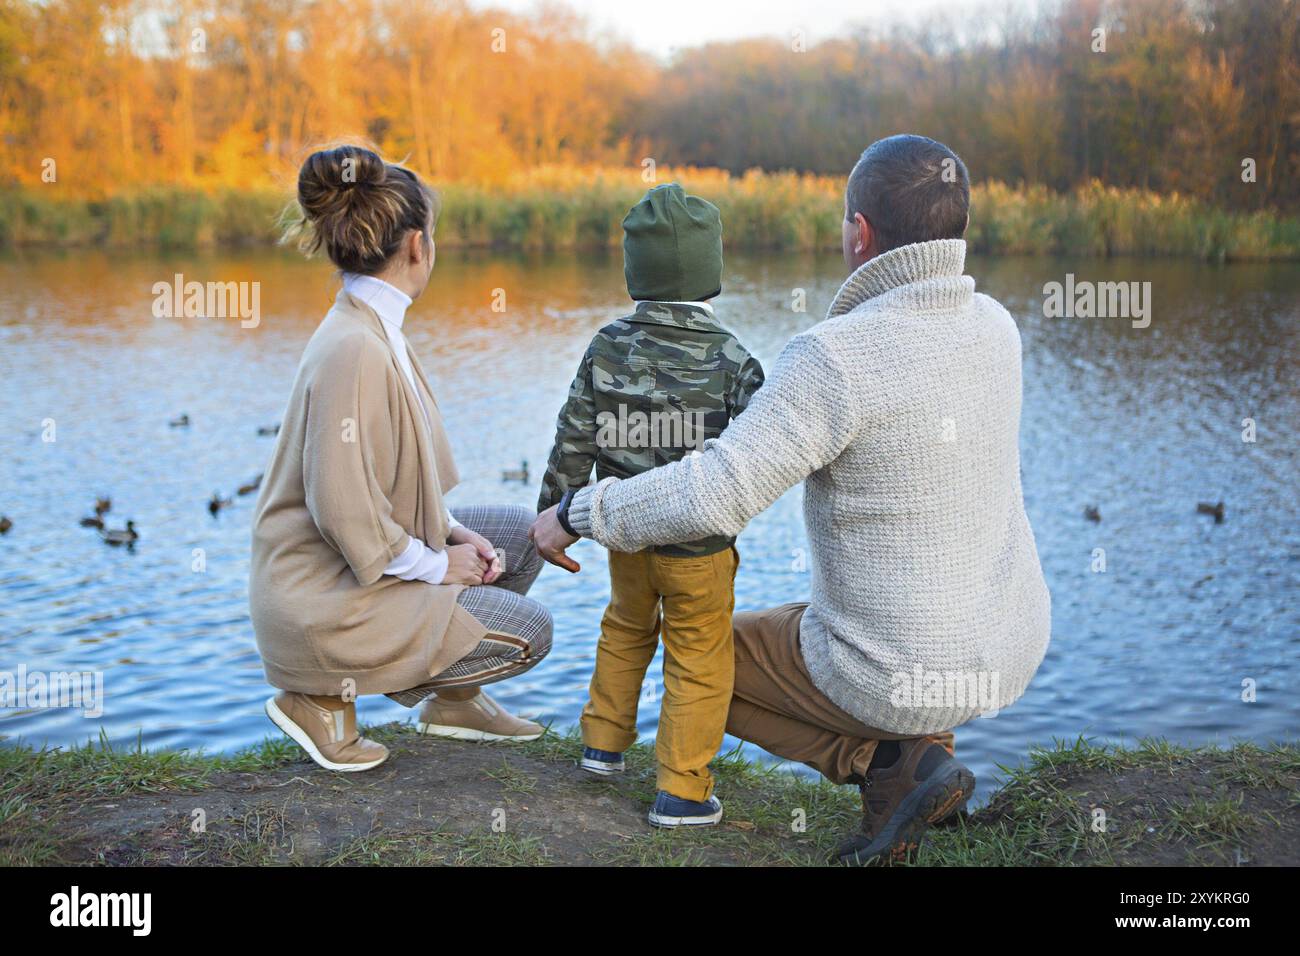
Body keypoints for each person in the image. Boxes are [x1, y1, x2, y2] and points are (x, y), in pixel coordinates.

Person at [531, 135, 1052, 864]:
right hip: (1005, 646)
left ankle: (883, 765)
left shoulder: (834, 356)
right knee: (882, 593)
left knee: (700, 656)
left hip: (895, 667)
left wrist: (574, 513)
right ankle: (920, 759)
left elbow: (714, 494)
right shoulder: (999, 329)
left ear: (859, 233)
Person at [250, 144, 552, 772]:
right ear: (417, 245)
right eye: (432, 236)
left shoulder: (376, 326)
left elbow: (387, 481)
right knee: (530, 631)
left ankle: (454, 702)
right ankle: (315, 696)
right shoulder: (351, 347)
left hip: (358, 568)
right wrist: (436, 565)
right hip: (323, 599)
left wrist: (448, 531)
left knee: (521, 536)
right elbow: (339, 502)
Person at [537, 183, 764, 827]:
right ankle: (682, 791)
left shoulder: (606, 345)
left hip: (625, 539)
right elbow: (762, 455)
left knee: (625, 630)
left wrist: (556, 516)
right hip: (701, 548)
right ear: (710, 273)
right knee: (698, 655)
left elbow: (573, 432)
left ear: (636, 272)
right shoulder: (734, 359)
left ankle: (602, 746)